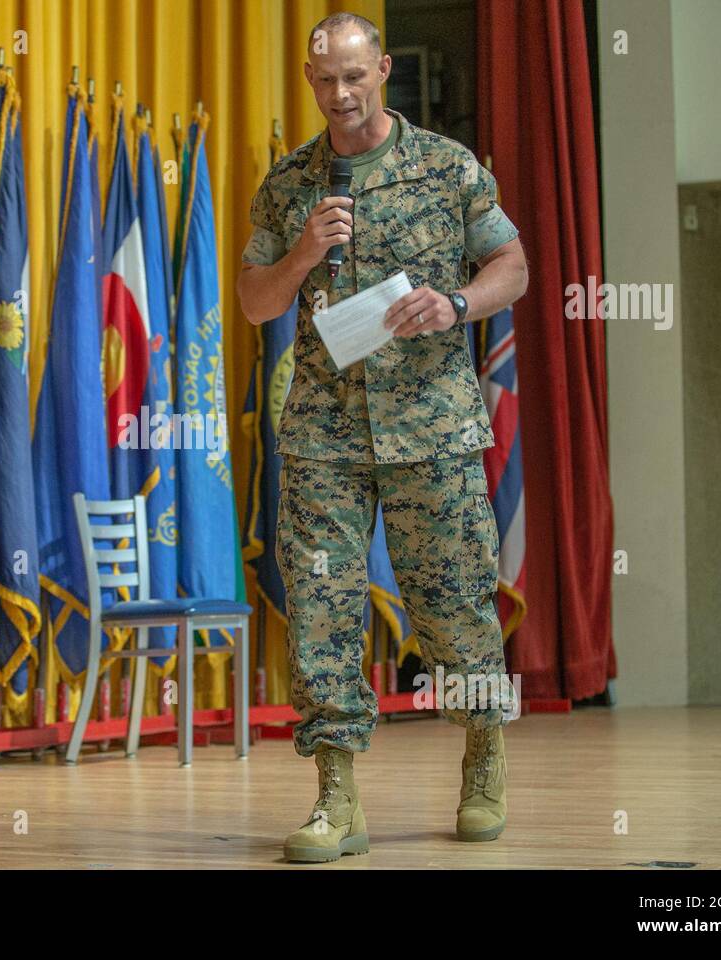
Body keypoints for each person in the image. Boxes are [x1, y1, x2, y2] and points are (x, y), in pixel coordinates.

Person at [236, 14, 529, 861]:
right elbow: (257, 301)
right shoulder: (291, 183)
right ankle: (336, 797)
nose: (342, 94)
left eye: (356, 77)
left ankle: (482, 754)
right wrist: (300, 256)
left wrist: (456, 304)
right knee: (323, 611)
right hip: (325, 436)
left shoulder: (445, 166)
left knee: (455, 606)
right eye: (327, 81)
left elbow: (512, 265)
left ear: (384, 70)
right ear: (309, 78)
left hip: (430, 426)